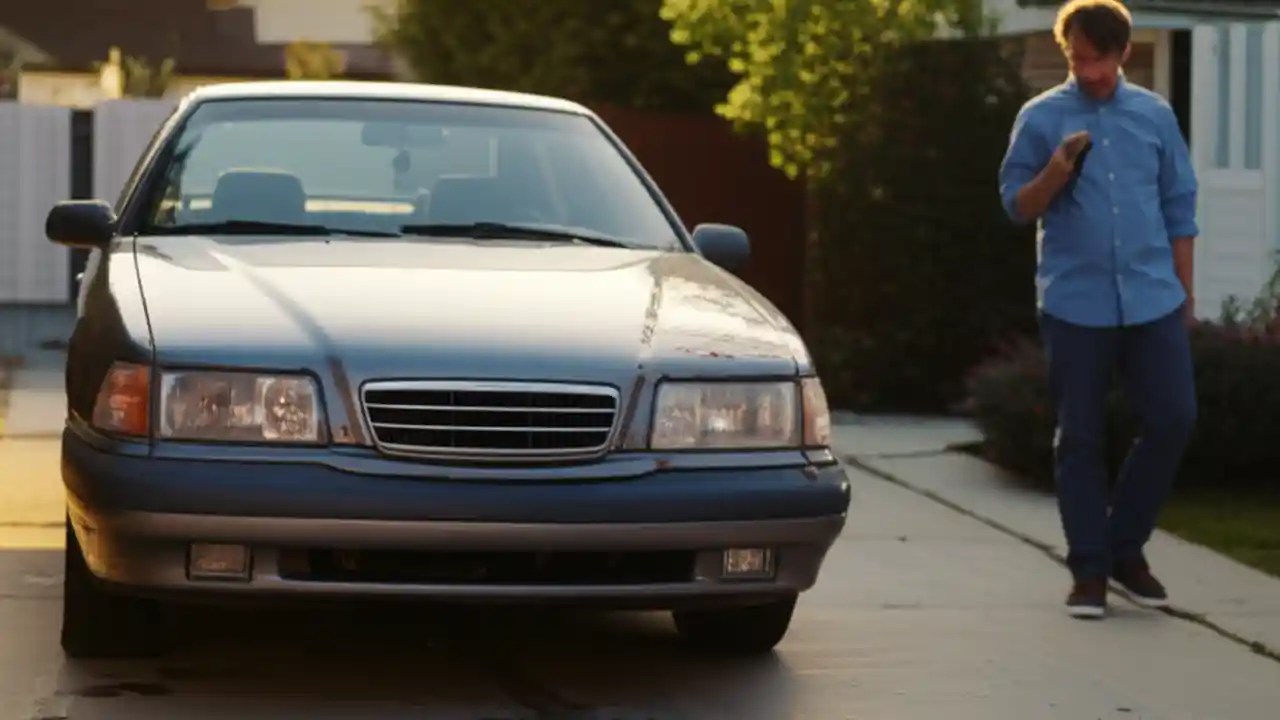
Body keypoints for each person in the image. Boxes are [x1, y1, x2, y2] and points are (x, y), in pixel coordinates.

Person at [997, 0, 1199, 619]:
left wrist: (1185, 301)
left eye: (1100, 60)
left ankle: (1124, 548)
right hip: (1075, 302)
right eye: (1080, 59)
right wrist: (1056, 171)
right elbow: (1016, 205)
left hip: (1152, 298)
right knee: (1079, 435)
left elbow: (1180, 209)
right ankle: (1089, 570)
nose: (1090, 72)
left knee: (1174, 417)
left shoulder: (1154, 116)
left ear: (1123, 54)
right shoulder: (1041, 118)